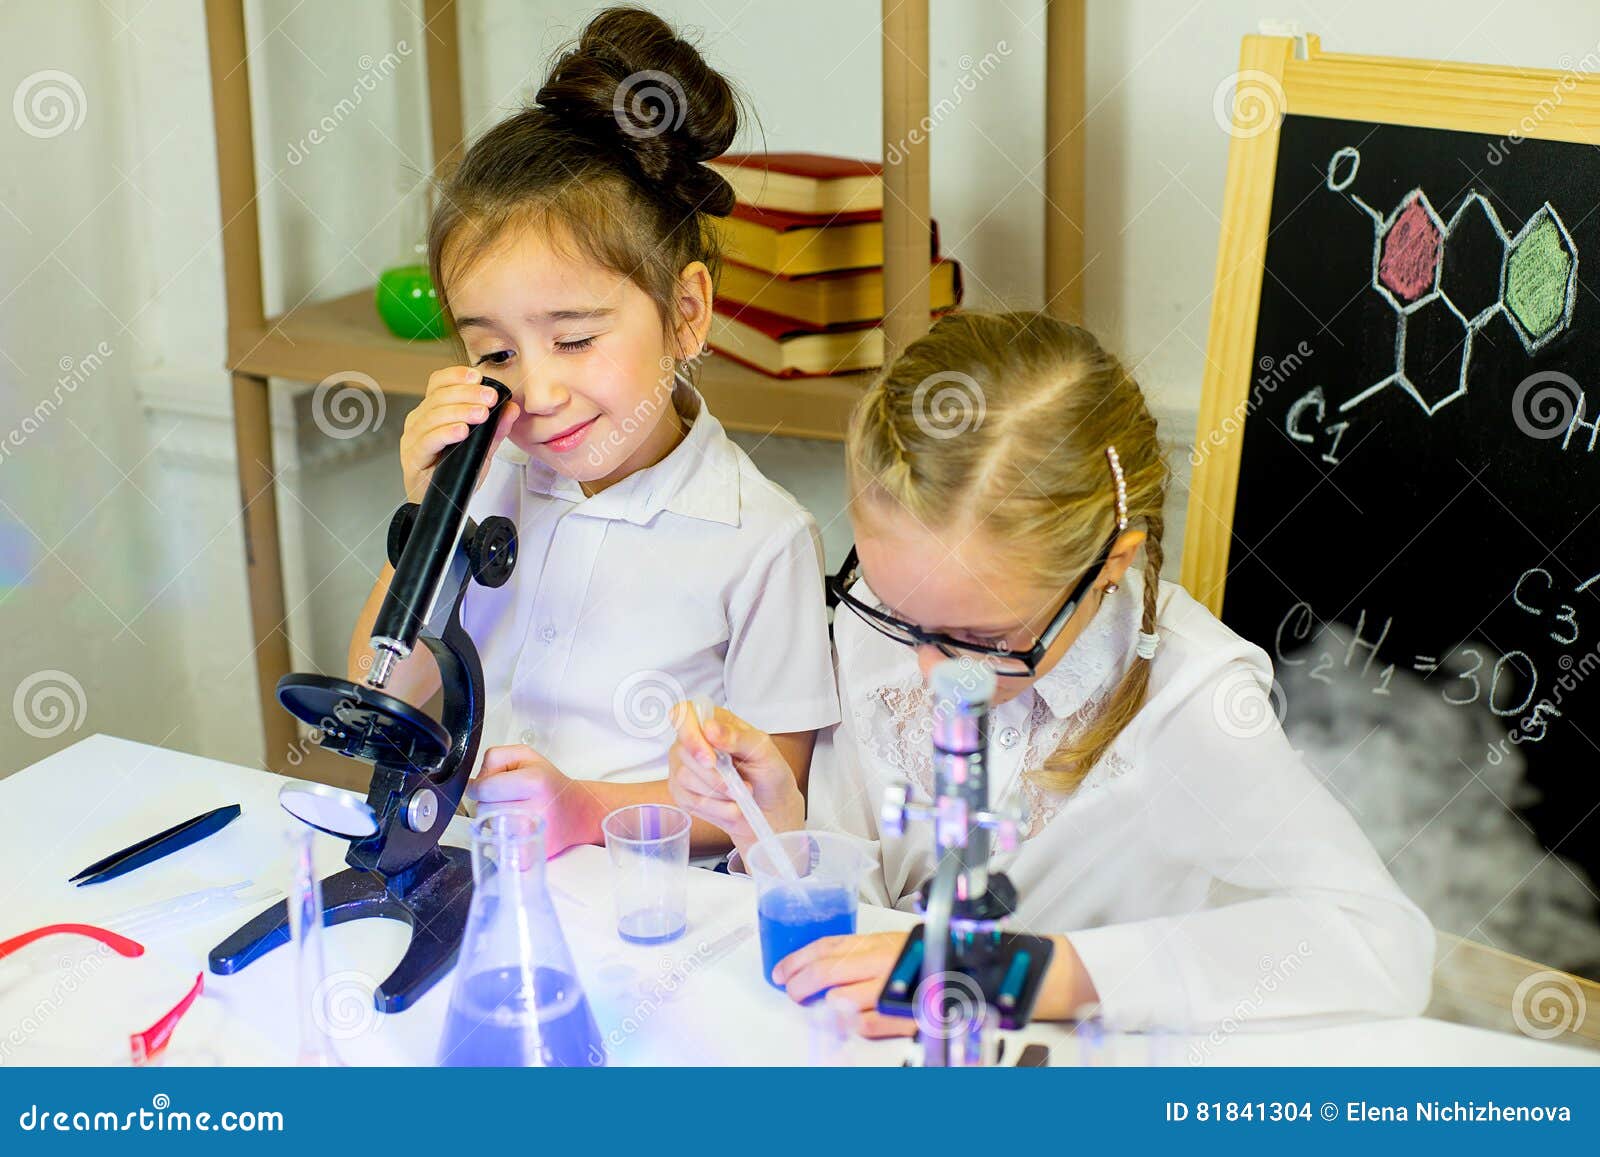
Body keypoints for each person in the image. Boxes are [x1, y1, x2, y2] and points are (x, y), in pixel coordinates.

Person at [667, 310, 1435, 1036]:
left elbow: (1381, 942)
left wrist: (1028, 974)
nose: (936, 672)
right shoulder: (888, 613)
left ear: (1112, 565)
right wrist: (781, 828)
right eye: (904, 621)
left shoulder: (1192, 700)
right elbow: (871, 910)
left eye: (985, 638)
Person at [347, 7, 837, 856]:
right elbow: (379, 685)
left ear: (686, 315)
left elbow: (765, 801)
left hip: (652, 923)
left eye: (574, 339)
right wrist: (430, 523)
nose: (535, 388)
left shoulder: (761, 539)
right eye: (494, 350)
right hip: (485, 892)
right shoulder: (493, 481)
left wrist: (583, 811)